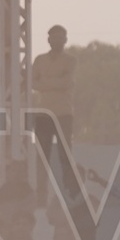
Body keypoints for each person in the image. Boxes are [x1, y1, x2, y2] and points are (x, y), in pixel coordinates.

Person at [31, 25, 76, 190]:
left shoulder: (70, 60)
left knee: (65, 155)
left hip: (64, 113)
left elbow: (66, 83)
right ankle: (41, 197)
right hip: (43, 114)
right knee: (42, 157)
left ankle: (68, 194)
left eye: (61, 37)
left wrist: (44, 82)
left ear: (65, 40)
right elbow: (31, 82)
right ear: (48, 39)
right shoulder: (39, 59)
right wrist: (55, 82)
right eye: (54, 37)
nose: (58, 40)